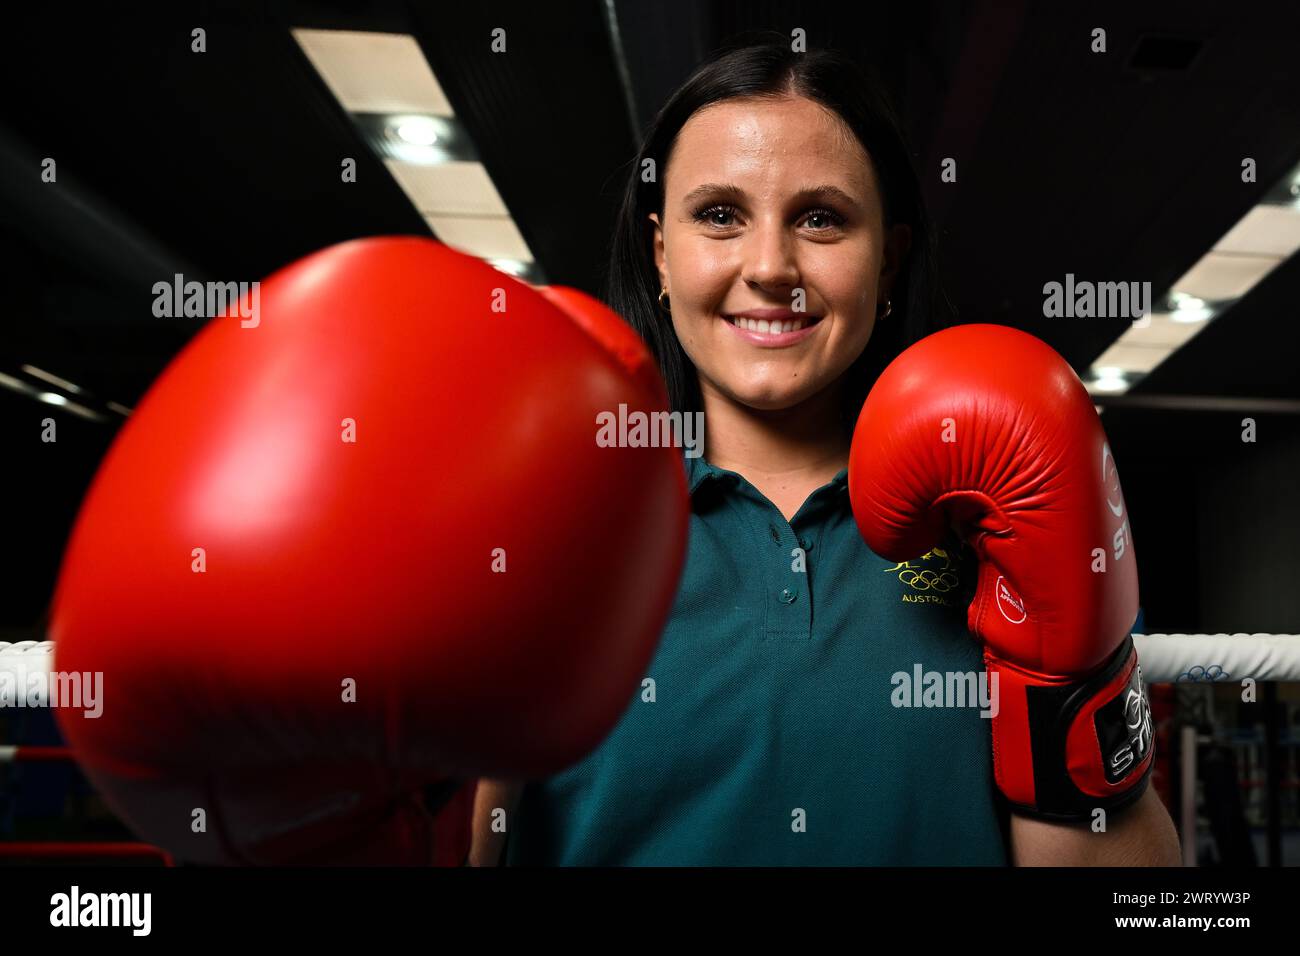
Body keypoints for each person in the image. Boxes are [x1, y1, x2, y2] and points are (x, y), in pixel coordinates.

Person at [471, 34, 1180, 866]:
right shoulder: (571, 526)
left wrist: (1068, 680)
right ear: (661, 254)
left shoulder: (999, 515)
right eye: (720, 215)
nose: (771, 266)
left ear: (889, 262)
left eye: (821, 218)